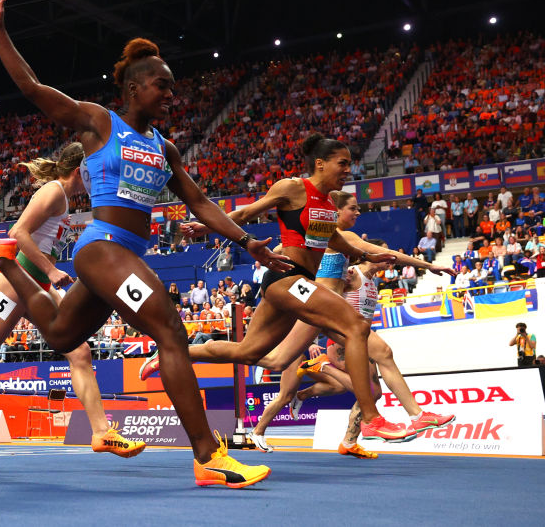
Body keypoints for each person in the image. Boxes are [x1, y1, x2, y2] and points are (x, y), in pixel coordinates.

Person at [0, 0, 290, 488]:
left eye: (172, 87)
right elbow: (32, 87)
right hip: (101, 247)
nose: (171, 94)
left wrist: (247, 241)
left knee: (64, 333)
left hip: (125, 254)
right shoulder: (97, 122)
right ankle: (208, 457)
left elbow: (199, 202)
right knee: (171, 332)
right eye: (162, 86)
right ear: (133, 89)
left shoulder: (165, 147)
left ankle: (6, 262)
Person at [147, 135, 418, 443]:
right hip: (288, 279)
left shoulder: (328, 204)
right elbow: (248, 212)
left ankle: (174, 352)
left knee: (250, 352)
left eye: (349, 164)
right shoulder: (293, 188)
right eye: (342, 163)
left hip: (295, 284)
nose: (347, 170)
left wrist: (369, 255)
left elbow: (333, 240)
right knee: (356, 326)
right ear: (320, 163)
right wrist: (207, 227)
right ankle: (371, 419)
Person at [0, 143, 145, 457]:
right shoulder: (53, 192)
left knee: (80, 351)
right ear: (79, 171)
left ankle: (102, 433)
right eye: (92, 171)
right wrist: (50, 269)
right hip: (16, 286)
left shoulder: (64, 201)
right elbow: (18, 232)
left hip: (36, 287)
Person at [202, 192, 455, 454]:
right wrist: (429, 266)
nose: (357, 214)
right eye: (353, 209)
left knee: (275, 360)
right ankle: (406, 416)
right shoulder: (342, 236)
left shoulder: (331, 239)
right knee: (381, 352)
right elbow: (388, 254)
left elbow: (279, 250)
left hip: (324, 311)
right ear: (336, 212)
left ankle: (211, 350)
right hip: (319, 308)